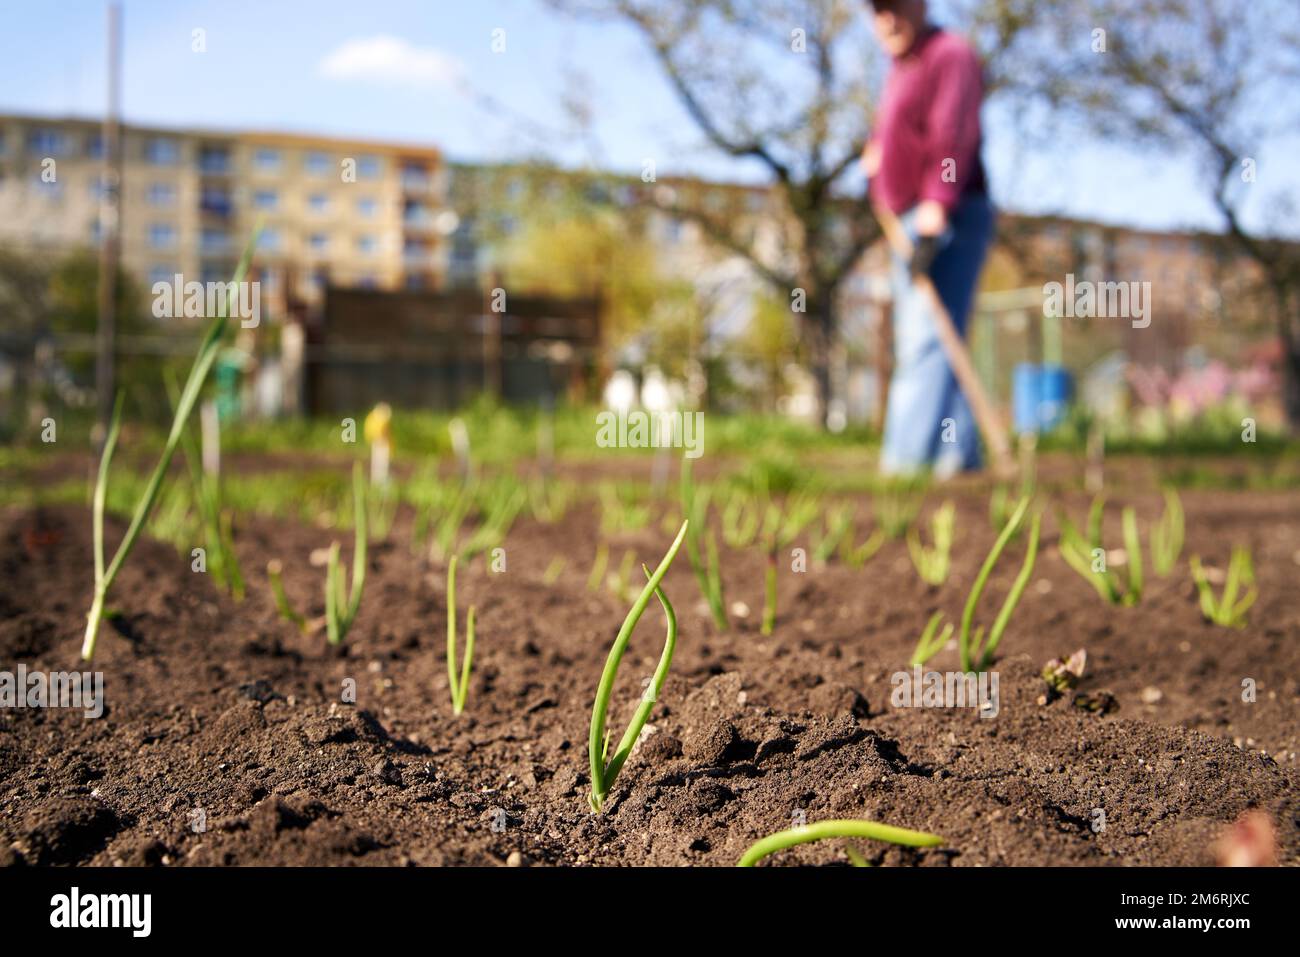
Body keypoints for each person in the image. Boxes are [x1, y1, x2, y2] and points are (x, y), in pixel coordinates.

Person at [862, 0, 994, 476]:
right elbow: (898, 133)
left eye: (894, 7)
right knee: (937, 338)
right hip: (908, 216)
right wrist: (878, 154)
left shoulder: (949, 54)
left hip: (943, 215)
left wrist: (937, 203)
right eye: (876, 11)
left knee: (924, 340)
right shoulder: (902, 66)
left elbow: (953, 133)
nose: (886, 20)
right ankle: (957, 460)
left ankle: (904, 466)